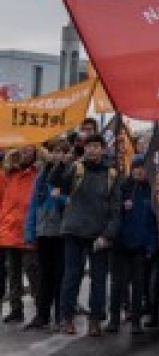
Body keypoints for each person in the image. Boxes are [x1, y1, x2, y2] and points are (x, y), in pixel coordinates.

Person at [50, 134, 121, 337]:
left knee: (98, 280)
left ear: (103, 149)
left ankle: (95, 320)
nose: (92, 150)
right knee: (72, 276)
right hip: (74, 230)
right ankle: (66, 318)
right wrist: (60, 165)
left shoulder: (112, 174)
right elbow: (56, 183)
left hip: (99, 234)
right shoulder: (76, 167)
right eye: (89, 146)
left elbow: (116, 210)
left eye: (96, 146)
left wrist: (107, 235)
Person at [23, 140, 71, 330]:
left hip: (62, 233)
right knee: (44, 276)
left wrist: (61, 198)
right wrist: (30, 232)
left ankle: (61, 315)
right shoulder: (41, 177)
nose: (56, 155)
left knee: (61, 275)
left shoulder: (70, 174)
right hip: (44, 233)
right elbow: (33, 206)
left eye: (61, 151)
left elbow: (74, 201)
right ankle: (42, 315)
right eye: (54, 151)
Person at [107, 155, 156, 335]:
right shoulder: (121, 187)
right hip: (119, 244)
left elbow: (153, 222)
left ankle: (136, 321)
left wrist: (151, 244)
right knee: (117, 285)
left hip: (140, 246)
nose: (139, 170)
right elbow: (110, 210)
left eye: (143, 167)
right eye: (136, 167)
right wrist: (121, 206)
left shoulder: (152, 191)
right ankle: (114, 320)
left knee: (138, 285)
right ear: (131, 168)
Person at [1, 145, 40, 324]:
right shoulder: (7, 174)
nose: (25, 153)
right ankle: (16, 309)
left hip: (29, 229)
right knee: (14, 273)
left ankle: (42, 307)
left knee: (32, 270)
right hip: (10, 229)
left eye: (28, 150)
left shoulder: (38, 173)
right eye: (22, 150)